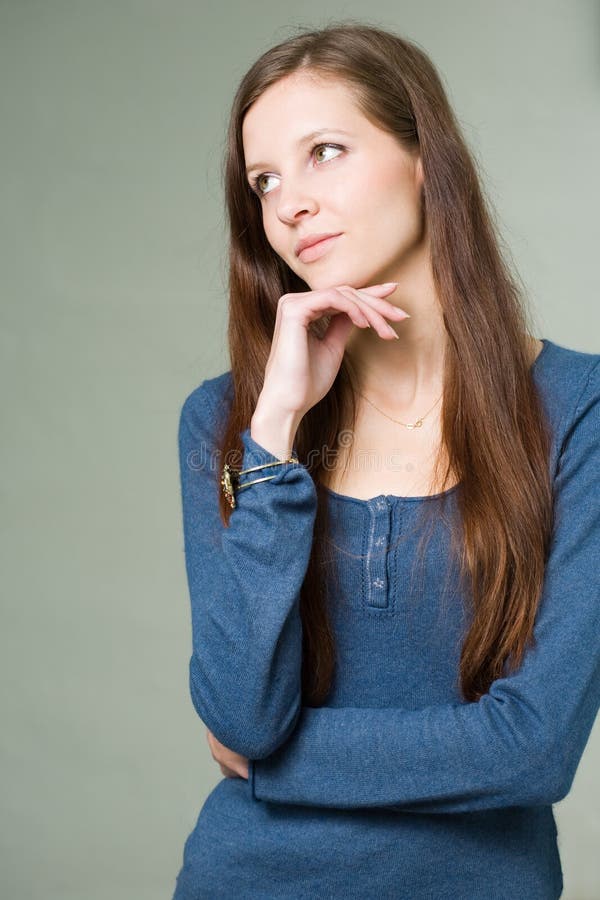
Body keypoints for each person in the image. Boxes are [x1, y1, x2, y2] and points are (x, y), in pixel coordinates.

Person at [172, 22, 600, 900]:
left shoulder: (578, 410)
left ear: (422, 160)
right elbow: (241, 710)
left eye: (324, 152)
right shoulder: (228, 421)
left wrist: (269, 762)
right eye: (264, 180)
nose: (289, 202)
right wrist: (276, 430)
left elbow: (535, 748)